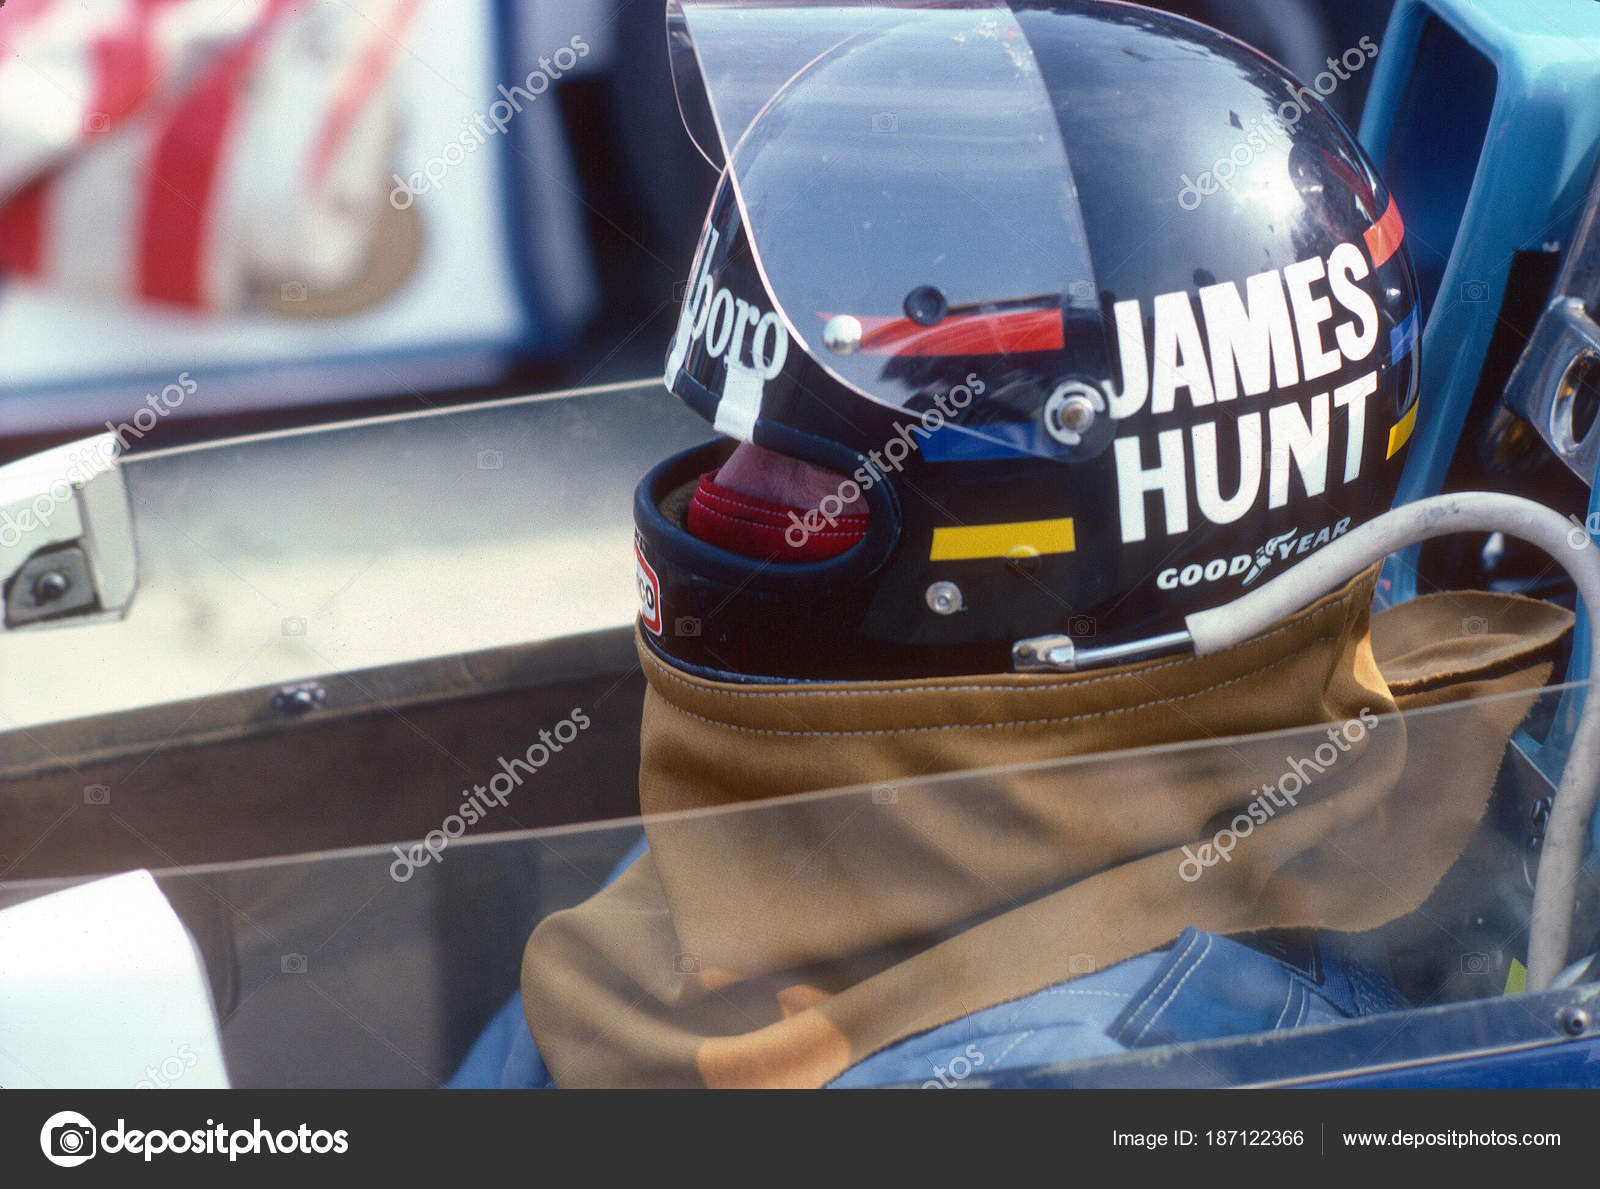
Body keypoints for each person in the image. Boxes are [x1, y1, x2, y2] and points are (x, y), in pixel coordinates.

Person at [452, 0, 1570, 1089]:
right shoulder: (777, 846)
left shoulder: (1090, 1074)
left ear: (1075, 532)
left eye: (819, 457)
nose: (728, 494)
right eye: (734, 433)